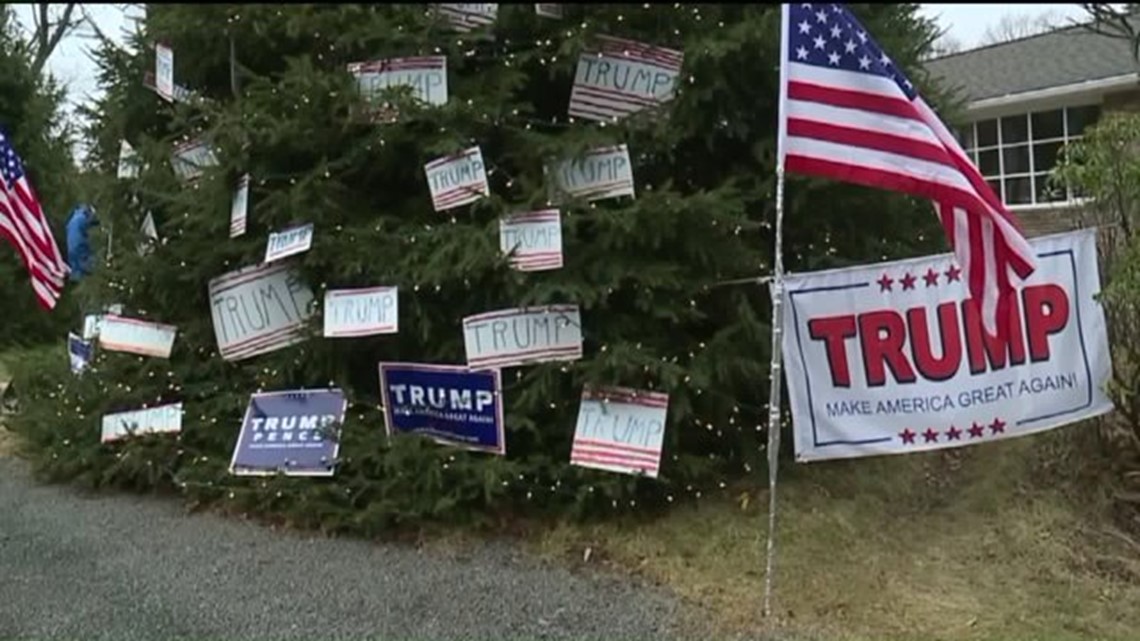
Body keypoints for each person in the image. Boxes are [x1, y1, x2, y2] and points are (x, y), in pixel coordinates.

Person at [66, 204, 98, 281]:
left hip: (71, 249)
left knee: (77, 271)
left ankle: (77, 283)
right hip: (80, 246)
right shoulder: (82, 218)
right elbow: (89, 223)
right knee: (93, 266)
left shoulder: (72, 220)